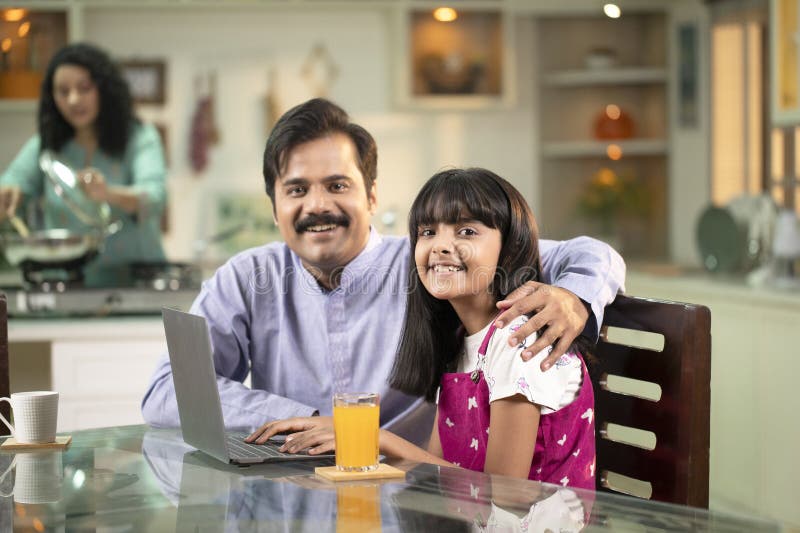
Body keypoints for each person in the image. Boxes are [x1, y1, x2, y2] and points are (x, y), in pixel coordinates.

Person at [143, 98, 625, 448]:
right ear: (274, 206)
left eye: (337, 185)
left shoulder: (433, 264)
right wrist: (306, 420)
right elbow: (167, 391)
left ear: (372, 196)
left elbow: (589, 254)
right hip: (286, 498)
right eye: (295, 190)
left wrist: (574, 297)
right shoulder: (247, 277)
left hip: (415, 500)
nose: (317, 205)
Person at [258, 168, 596, 490]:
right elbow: (438, 472)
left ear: (509, 245)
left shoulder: (517, 341)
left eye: (467, 231)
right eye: (427, 232)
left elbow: (505, 495)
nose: (440, 245)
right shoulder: (459, 342)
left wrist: (375, 438)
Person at [0, 42, 167, 287]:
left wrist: (108, 193)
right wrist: (8, 193)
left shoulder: (139, 137)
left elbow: (156, 198)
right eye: (63, 91)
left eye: (84, 88)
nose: (74, 99)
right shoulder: (46, 144)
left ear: (104, 89)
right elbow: (14, 180)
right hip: (63, 284)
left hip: (134, 283)